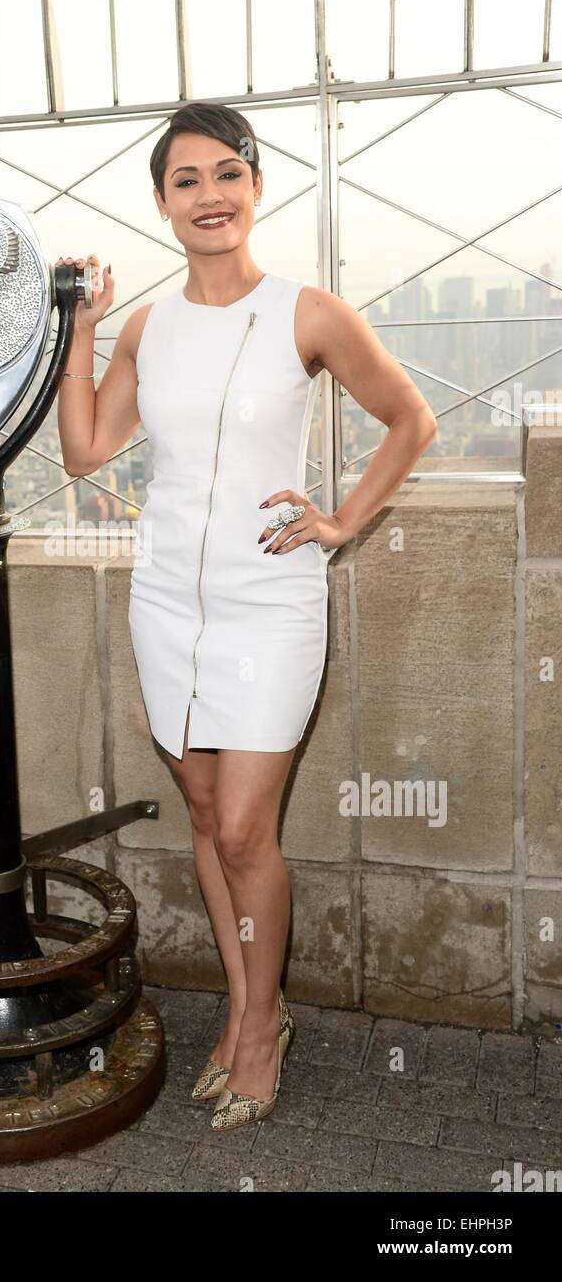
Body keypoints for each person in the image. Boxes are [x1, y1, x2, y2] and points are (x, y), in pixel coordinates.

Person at [56, 101, 437, 1132]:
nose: (209, 195)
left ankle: (262, 1028)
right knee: (200, 814)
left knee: (240, 829)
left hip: (268, 600)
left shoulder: (307, 312)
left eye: (227, 173)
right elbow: (85, 452)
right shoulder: (146, 327)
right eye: (185, 180)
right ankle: (241, 1005)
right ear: (161, 202)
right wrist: (81, 331)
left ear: (257, 187)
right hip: (164, 601)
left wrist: (341, 520)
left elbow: (410, 418)